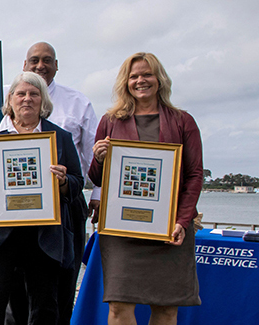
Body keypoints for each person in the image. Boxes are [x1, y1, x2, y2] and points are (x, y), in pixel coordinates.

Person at [89, 52, 202, 325]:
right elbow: (96, 178)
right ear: (125, 82)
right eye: (134, 76)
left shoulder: (183, 121)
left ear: (159, 79)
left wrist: (182, 221)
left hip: (169, 228)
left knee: (166, 308)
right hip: (121, 229)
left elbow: (194, 175)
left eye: (147, 74)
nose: (141, 81)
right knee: (118, 306)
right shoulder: (110, 121)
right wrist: (99, 158)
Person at [0, 71, 83, 325]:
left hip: (44, 234)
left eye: (34, 94)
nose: (27, 99)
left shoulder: (60, 137)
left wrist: (63, 181)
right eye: (21, 93)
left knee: (44, 302)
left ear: (43, 100)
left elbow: (77, 181)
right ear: (10, 99)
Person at [6, 41, 99, 325]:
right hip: (16, 204)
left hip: (65, 202)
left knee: (62, 279)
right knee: (15, 282)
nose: (40, 65)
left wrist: (97, 193)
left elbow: (93, 155)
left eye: (47, 60)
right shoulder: (11, 98)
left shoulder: (78, 102)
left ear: (56, 65)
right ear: (24, 65)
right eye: (34, 60)